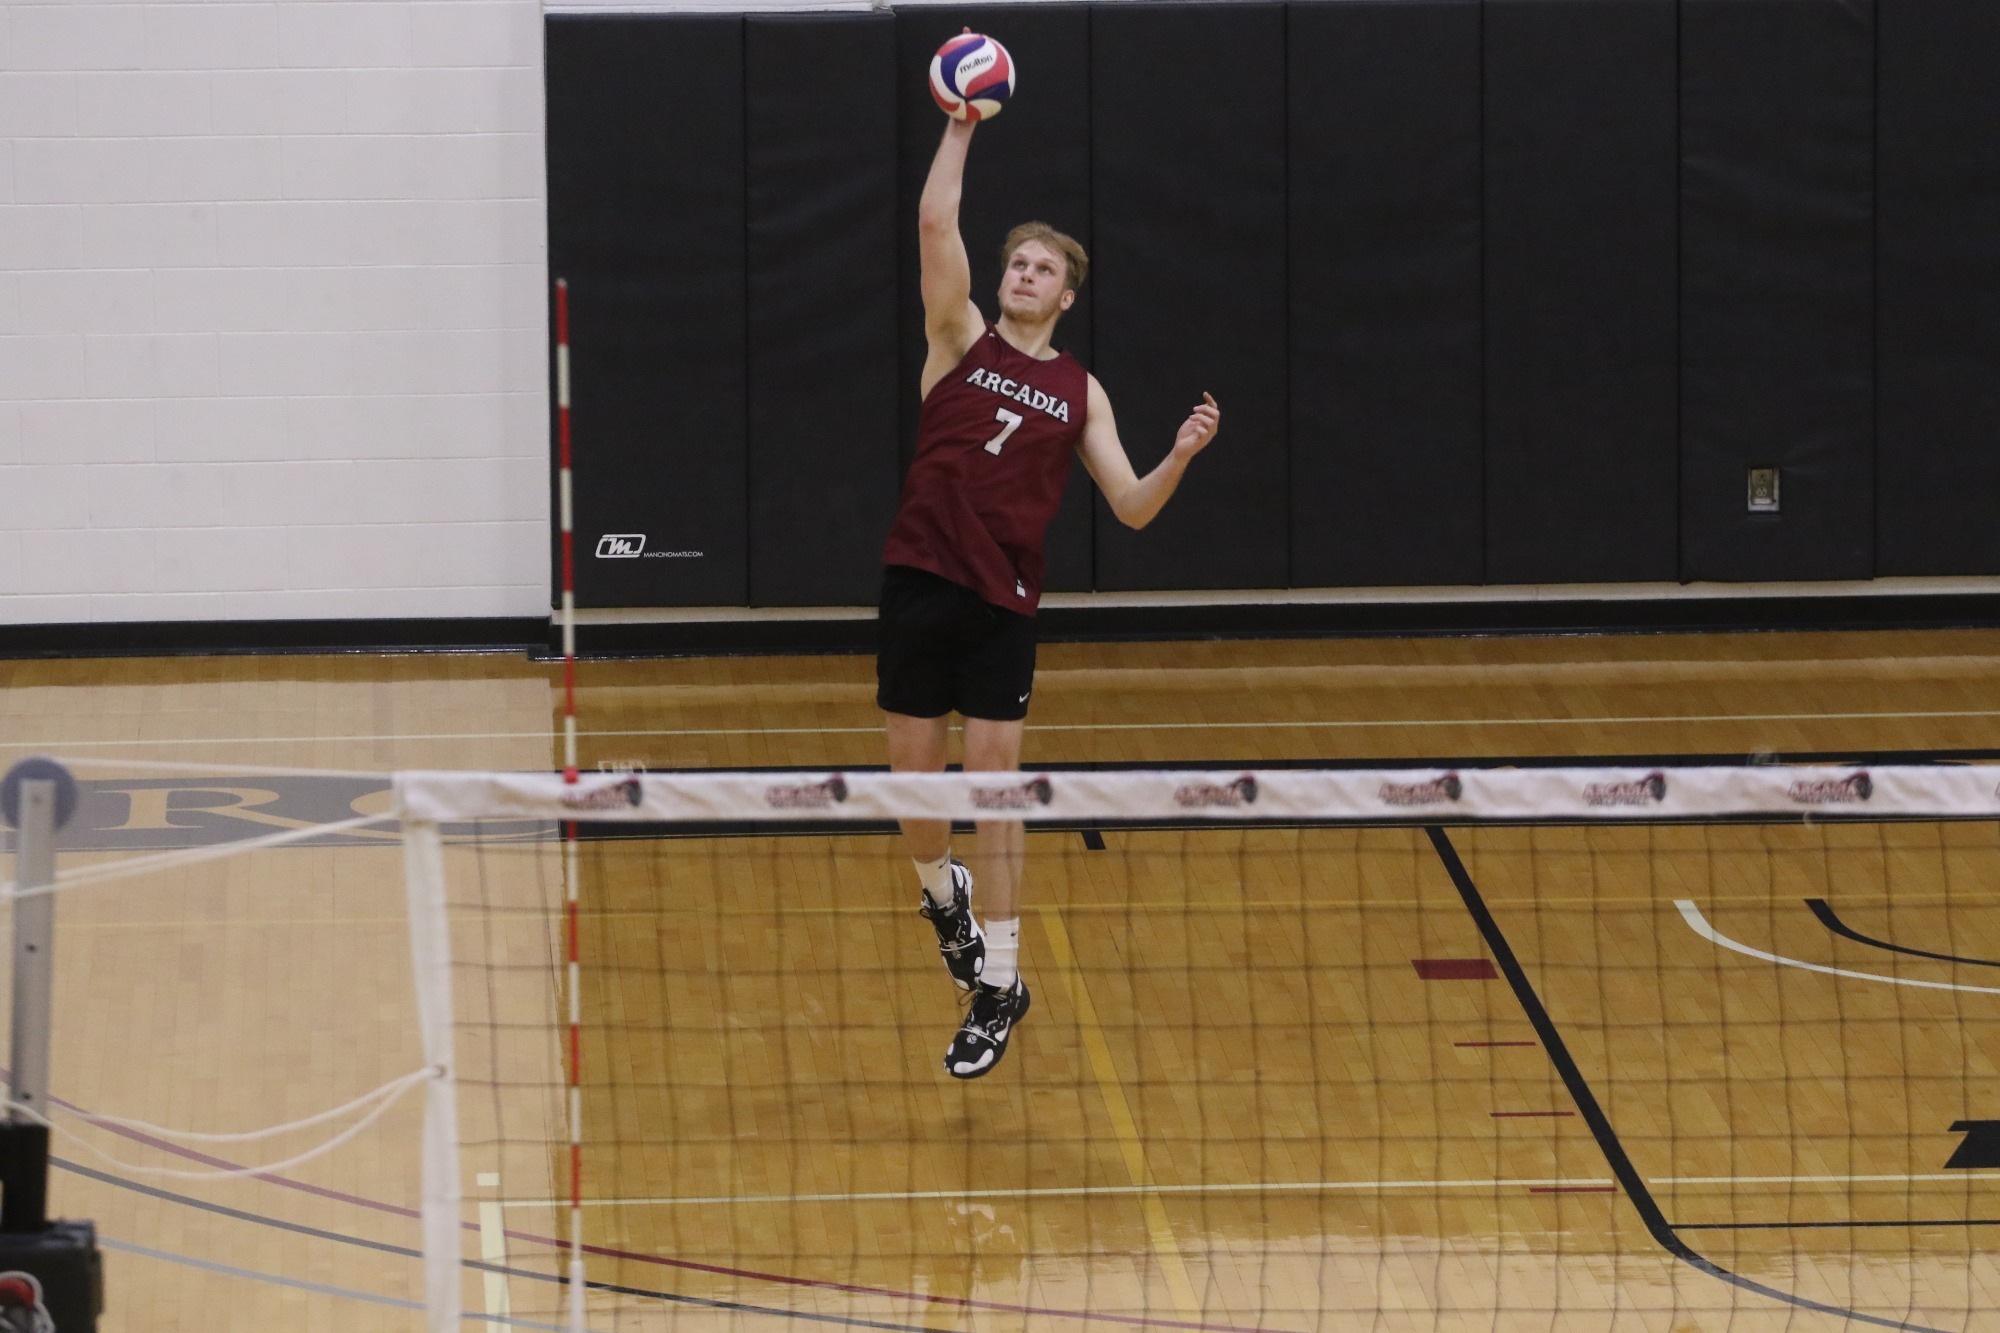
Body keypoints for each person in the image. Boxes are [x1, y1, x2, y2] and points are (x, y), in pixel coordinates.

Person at [879, 112, 1221, 1079]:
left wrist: (1179, 458)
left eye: (1041, 268)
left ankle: (1001, 982)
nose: (1023, 274)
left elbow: (1133, 506)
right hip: (917, 579)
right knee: (915, 789)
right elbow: (934, 227)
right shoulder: (959, 339)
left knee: (996, 793)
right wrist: (959, 126)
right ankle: (939, 894)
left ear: (1066, 293)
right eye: (1016, 263)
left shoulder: (1081, 391)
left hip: (1003, 603)